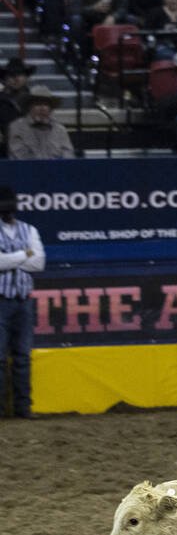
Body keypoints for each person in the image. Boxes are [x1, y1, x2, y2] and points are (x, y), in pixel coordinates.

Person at [0, 185, 44, 419]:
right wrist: (23, 255)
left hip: (23, 302)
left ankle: (23, 407)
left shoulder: (30, 229)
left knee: (23, 356)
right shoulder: (28, 234)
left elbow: (39, 263)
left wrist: (10, 259)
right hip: (1, 300)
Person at [7, 87, 74, 159]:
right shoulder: (17, 127)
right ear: (29, 107)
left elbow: (68, 157)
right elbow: (18, 156)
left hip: (56, 169)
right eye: (38, 104)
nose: (42, 108)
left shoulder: (60, 130)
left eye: (46, 104)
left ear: (50, 108)